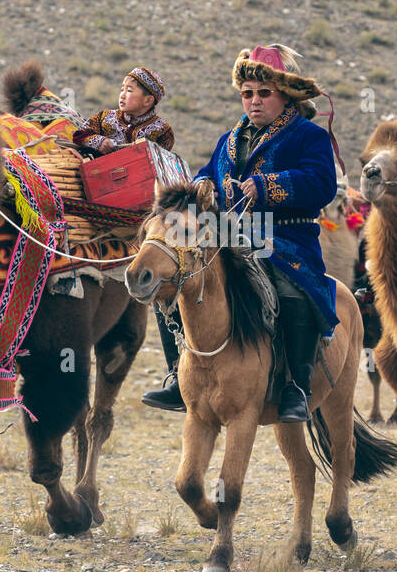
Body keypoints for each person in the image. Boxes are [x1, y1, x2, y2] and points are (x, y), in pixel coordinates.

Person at [142, 44, 338, 422]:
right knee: (171, 278)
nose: (254, 101)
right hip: (228, 232)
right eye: (247, 94)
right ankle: (176, 374)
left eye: (264, 93)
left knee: (290, 288)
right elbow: (206, 172)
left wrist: (267, 186)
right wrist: (203, 186)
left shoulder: (307, 136)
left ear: (285, 95)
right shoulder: (230, 137)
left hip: (285, 236)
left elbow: (322, 183)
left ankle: (296, 386)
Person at [72, 66, 174, 154]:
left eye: (129, 90)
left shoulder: (163, 131)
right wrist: (100, 142)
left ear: (148, 100)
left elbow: (161, 162)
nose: (122, 95)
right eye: (122, 89)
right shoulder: (105, 117)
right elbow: (78, 135)